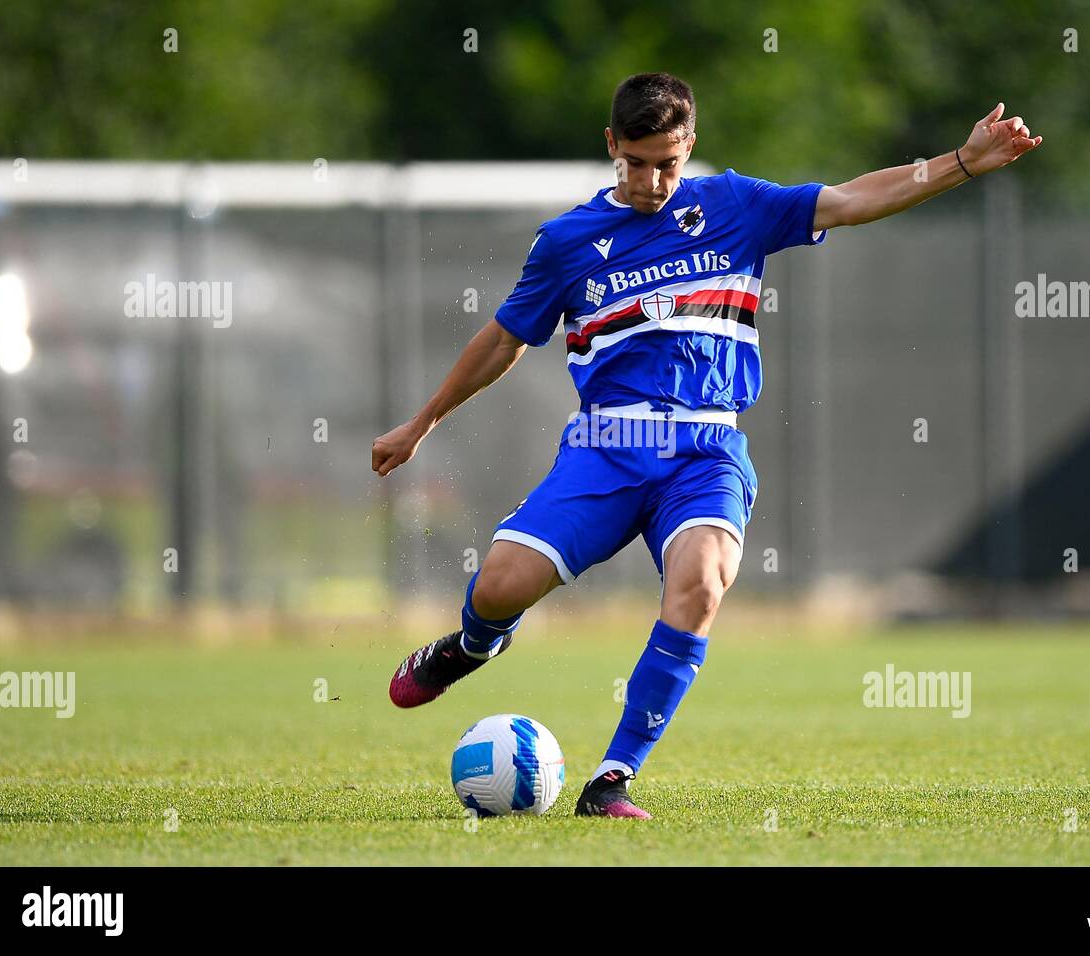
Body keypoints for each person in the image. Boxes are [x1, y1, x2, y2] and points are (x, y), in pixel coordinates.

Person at [372, 72, 1040, 818]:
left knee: (703, 581)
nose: (654, 179)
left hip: (706, 450)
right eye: (637, 160)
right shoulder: (567, 243)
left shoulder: (735, 205)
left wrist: (962, 162)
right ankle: (471, 646)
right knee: (499, 587)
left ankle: (613, 778)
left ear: (690, 146)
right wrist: (422, 421)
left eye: (669, 160)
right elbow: (505, 339)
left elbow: (853, 199)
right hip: (606, 447)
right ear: (610, 147)